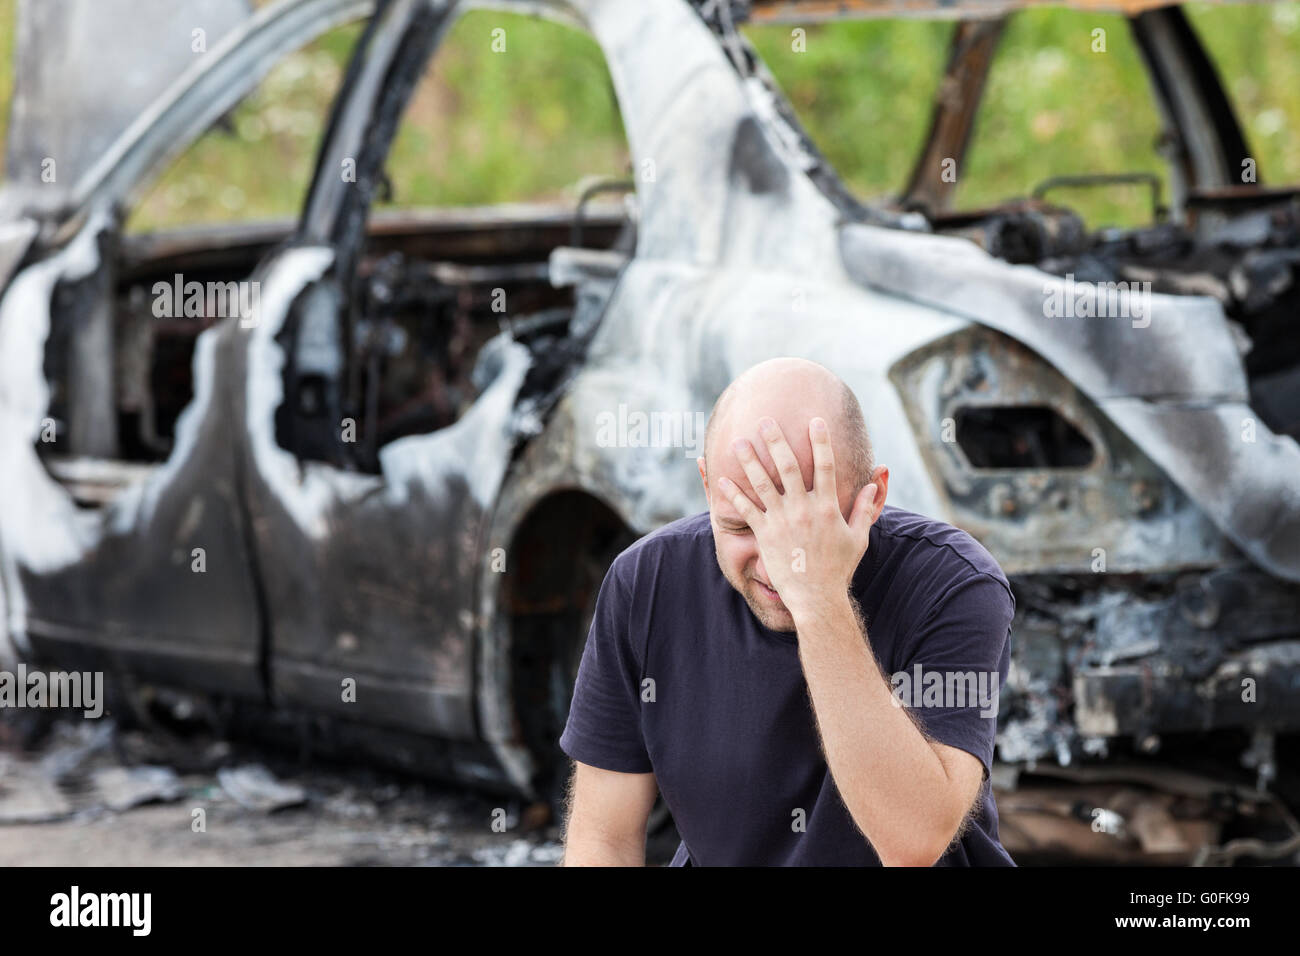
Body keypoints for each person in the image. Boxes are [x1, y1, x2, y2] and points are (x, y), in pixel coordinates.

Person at [559, 357, 1015, 866]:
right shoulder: (646, 582)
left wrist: (820, 598)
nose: (778, 567)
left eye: (806, 528)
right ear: (707, 486)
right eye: (741, 528)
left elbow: (912, 841)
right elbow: (604, 840)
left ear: (875, 495)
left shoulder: (955, 584)